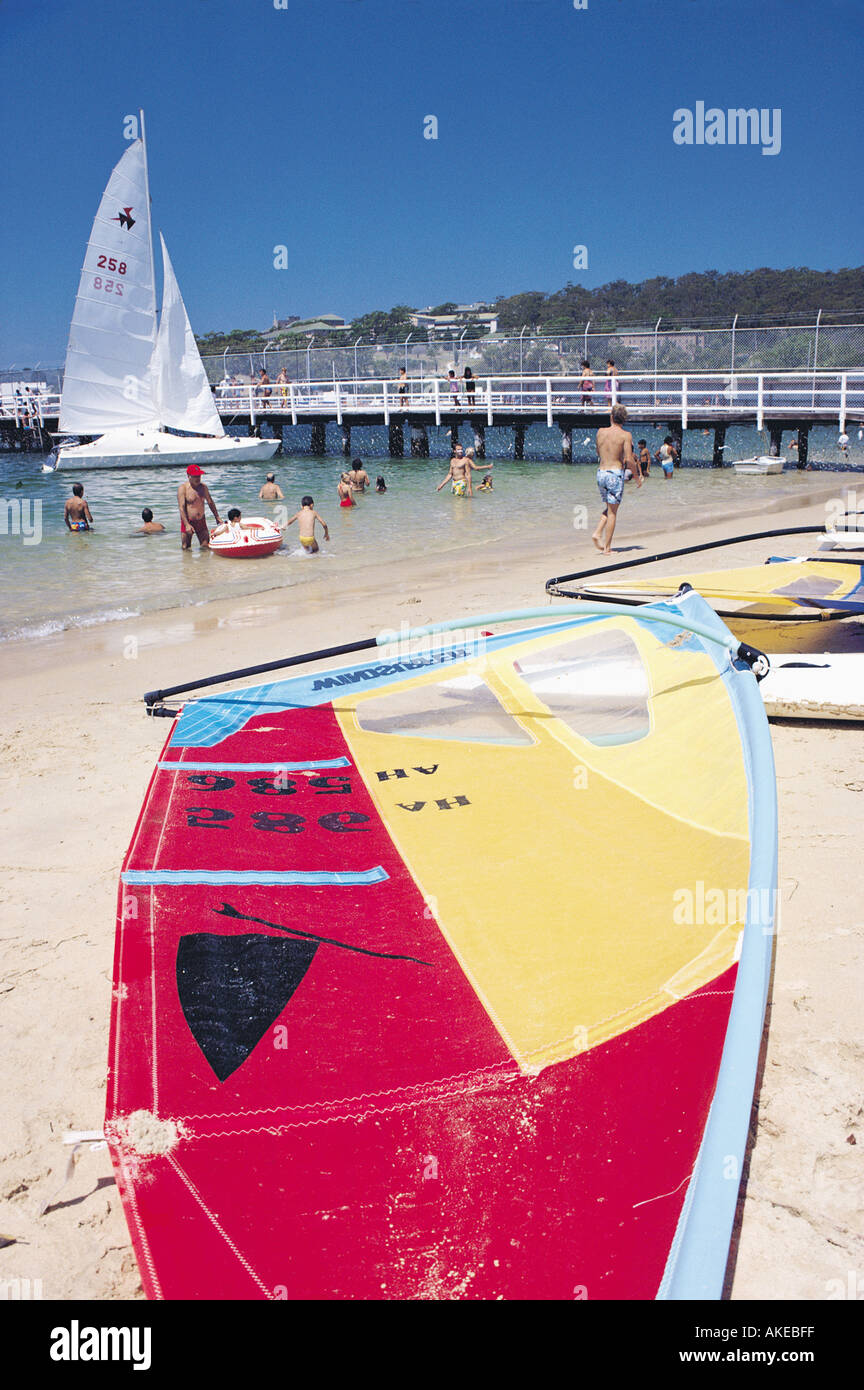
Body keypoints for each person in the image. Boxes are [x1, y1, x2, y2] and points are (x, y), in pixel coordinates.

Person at [591, 404, 642, 554]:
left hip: (601, 473)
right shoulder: (625, 435)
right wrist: (637, 477)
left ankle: (597, 533)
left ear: (611, 417)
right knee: (613, 512)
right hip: (614, 474)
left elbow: (598, 451)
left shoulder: (600, 432)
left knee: (609, 507)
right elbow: (629, 459)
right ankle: (607, 548)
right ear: (624, 419)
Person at [178, 464, 221, 549]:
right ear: (188, 476)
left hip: (201, 520)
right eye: (195, 476)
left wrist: (217, 517)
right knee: (186, 547)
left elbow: (210, 502)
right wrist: (186, 524)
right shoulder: (183, 489)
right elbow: (181, 508)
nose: (198, 478)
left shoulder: (203, 487)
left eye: (199, 476)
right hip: (188, 521)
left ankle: (204, 562)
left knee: (206, 546)